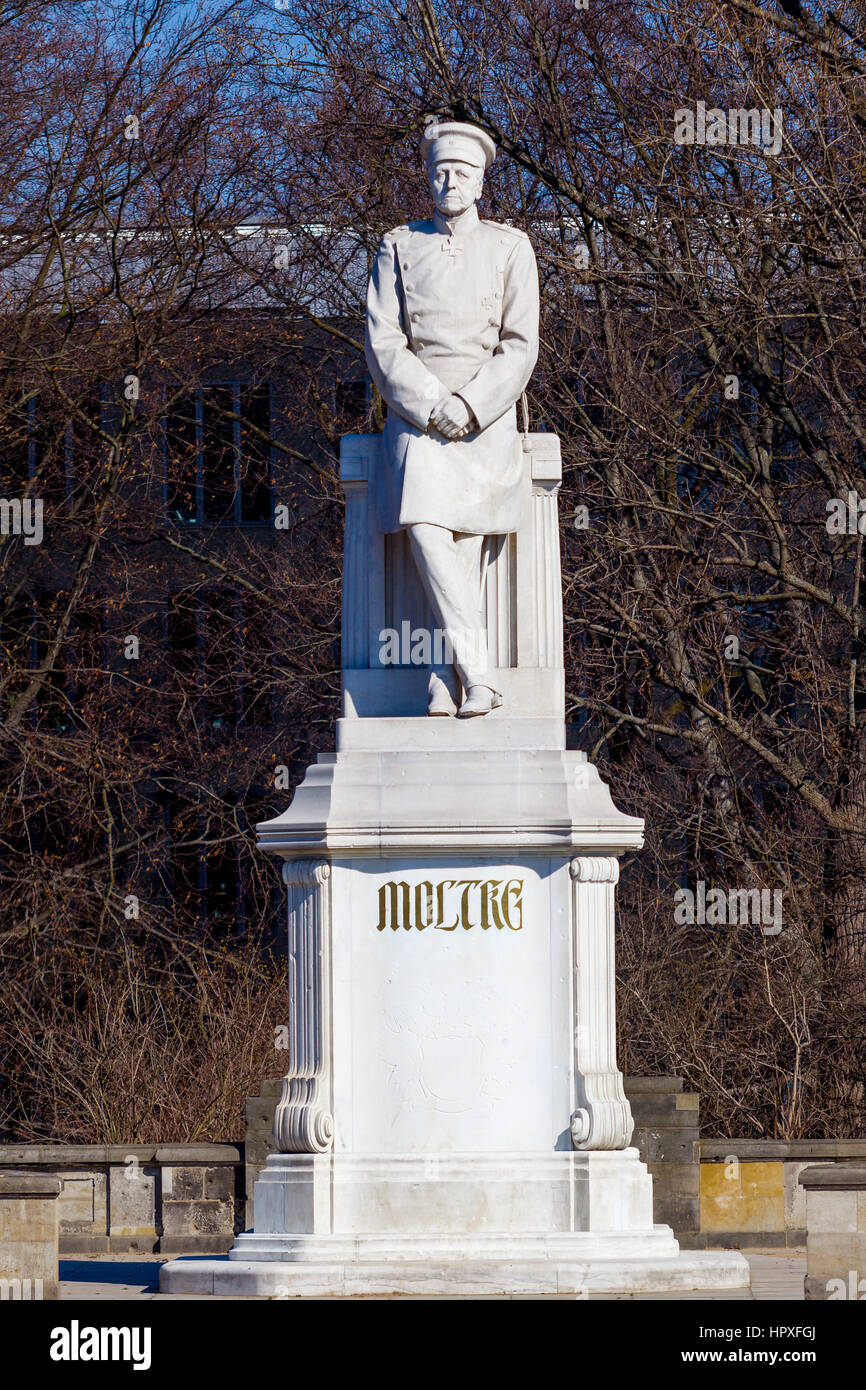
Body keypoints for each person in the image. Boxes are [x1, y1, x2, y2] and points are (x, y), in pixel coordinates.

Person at [365, 120, 539, 717]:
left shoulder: (511, 247)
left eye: (461, 173)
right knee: (426, 528)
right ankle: (480, 674)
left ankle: (445, 678)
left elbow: (520, 344)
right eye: (439, 172)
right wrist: (431, 402)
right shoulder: (397, 245)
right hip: (419, 420)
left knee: (459, 543)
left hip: (484, 419)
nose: (448, 183)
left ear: (481, 181)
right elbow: (382, 342)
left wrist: (470, 405)